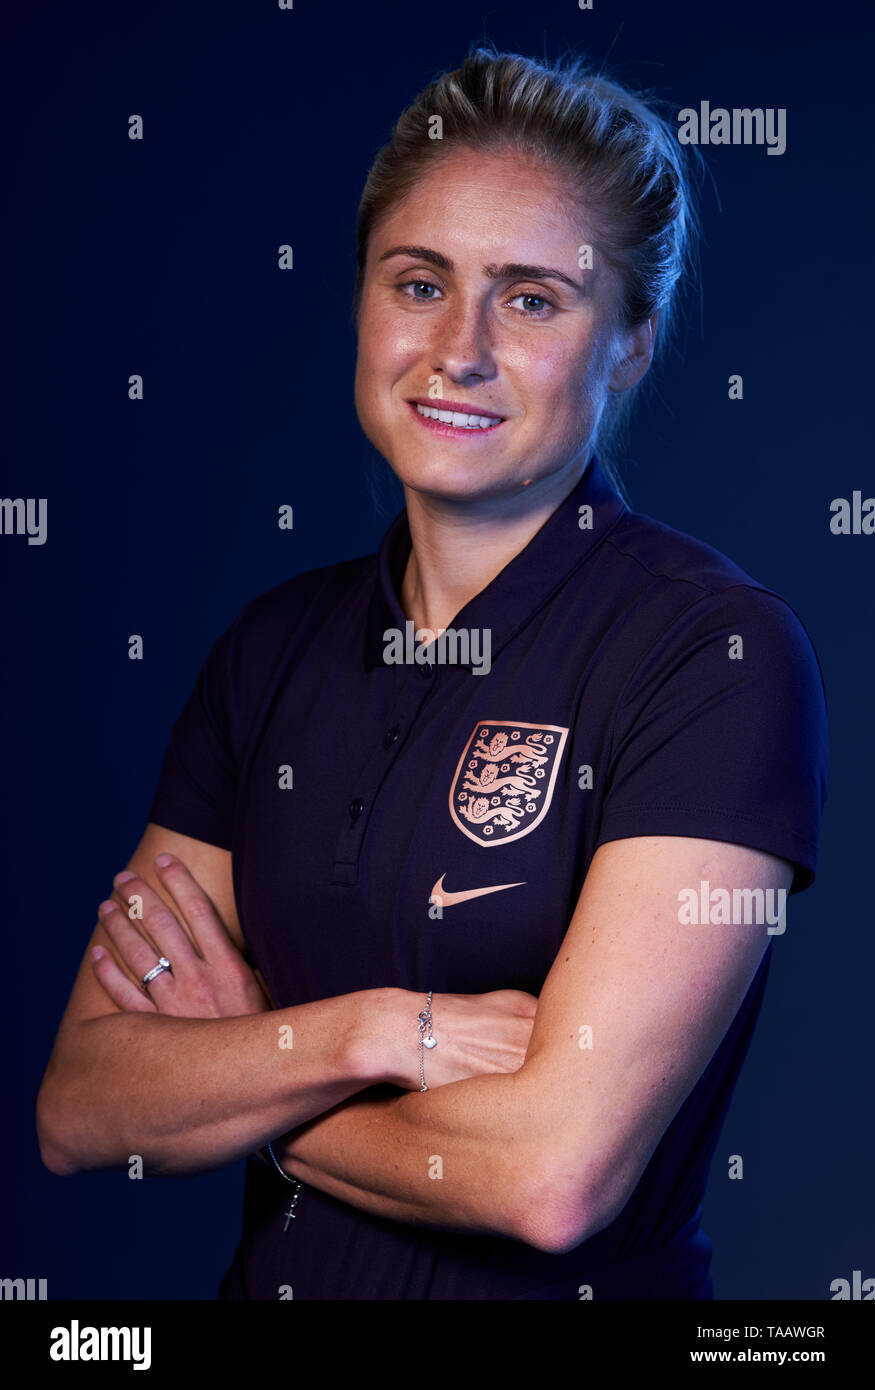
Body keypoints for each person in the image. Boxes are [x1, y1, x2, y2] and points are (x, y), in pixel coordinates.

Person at [37, 45, 828, 1300]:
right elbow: (82, 1105)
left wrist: (240, 1069)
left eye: (529, 300)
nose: (455, 350)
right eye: (419, 283)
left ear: (627, 342)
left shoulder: (712, 657)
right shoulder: (268, 652)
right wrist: (376, 1031)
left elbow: (550, 1178)